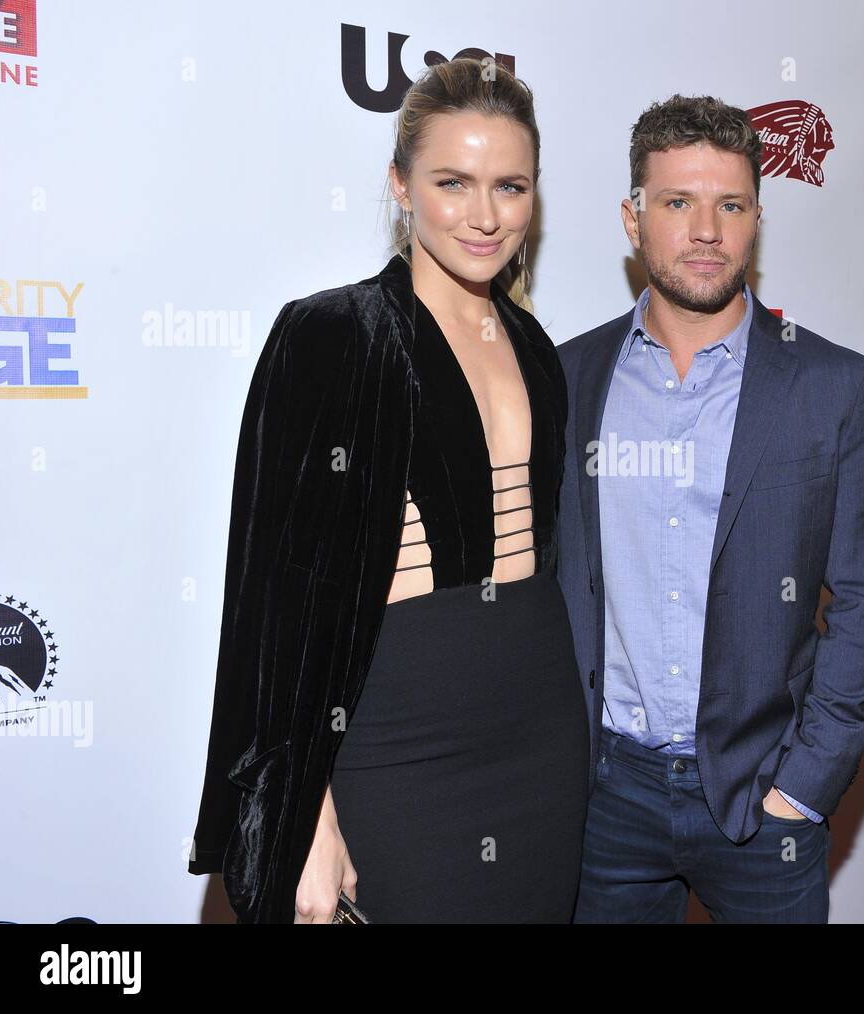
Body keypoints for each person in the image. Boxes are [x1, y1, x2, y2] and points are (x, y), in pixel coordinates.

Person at [187, 58, 589, 923]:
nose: (485, 216)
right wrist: (307, 816)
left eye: (511, 187)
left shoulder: (533, 347)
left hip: (539, 730)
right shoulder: (332, 335)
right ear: (400, 185)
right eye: (454, 182)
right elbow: (273, 604)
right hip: (392, 738)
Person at [554, 94, 864, 923]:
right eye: (678, 202)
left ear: (756, 220)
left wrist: (805, 788)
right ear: (633, 220)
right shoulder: (566, 379)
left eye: (731, 205)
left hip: (763, 798)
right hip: (603, 798)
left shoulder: (833, 387)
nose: (706, 229)